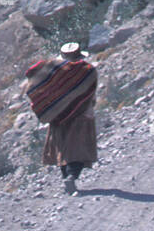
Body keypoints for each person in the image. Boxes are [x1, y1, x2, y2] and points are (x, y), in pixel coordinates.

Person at [22, 42, 98, 194]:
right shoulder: (88, 71)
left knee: (62, 148)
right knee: (78, 148)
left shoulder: (53, 72)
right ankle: (71, 177)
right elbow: (90, 93)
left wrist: (52, 109)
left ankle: (66, 180)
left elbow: (39, 87)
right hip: (81, 115)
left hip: (57, 117)